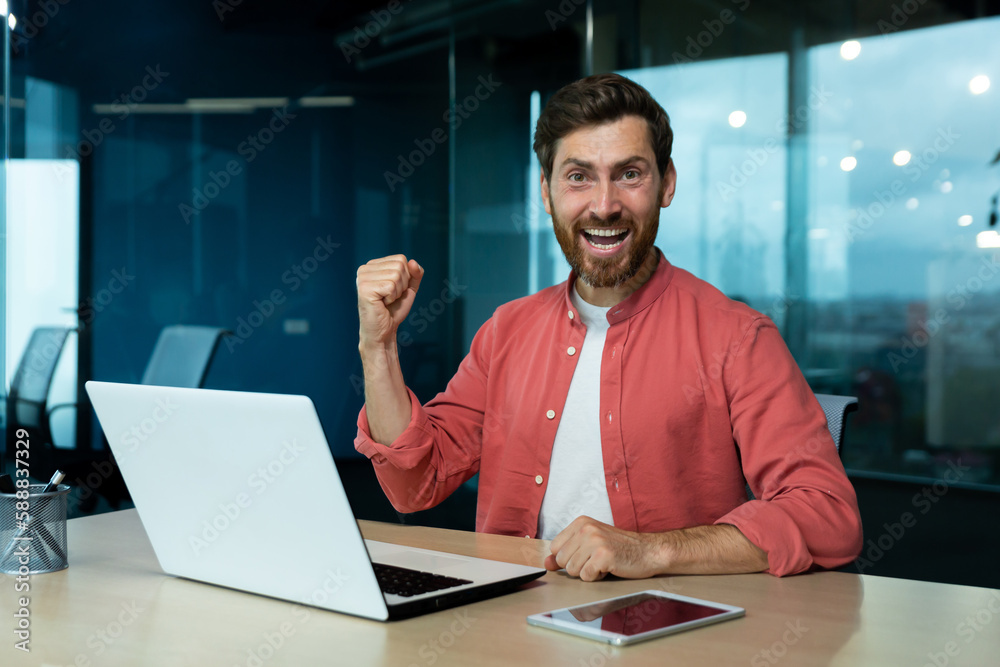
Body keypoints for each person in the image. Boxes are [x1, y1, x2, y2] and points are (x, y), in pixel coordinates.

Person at [354, 73, 862, 581]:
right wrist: (378, 347)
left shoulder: (737, 337)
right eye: (578, 177)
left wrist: (652, 551)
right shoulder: (506, 331)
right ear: (546, 192)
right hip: (507, 615)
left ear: (667, 183)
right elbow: (415, 483)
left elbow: (828, 515)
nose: (603, 205)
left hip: (669, 622)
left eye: (629, 174)